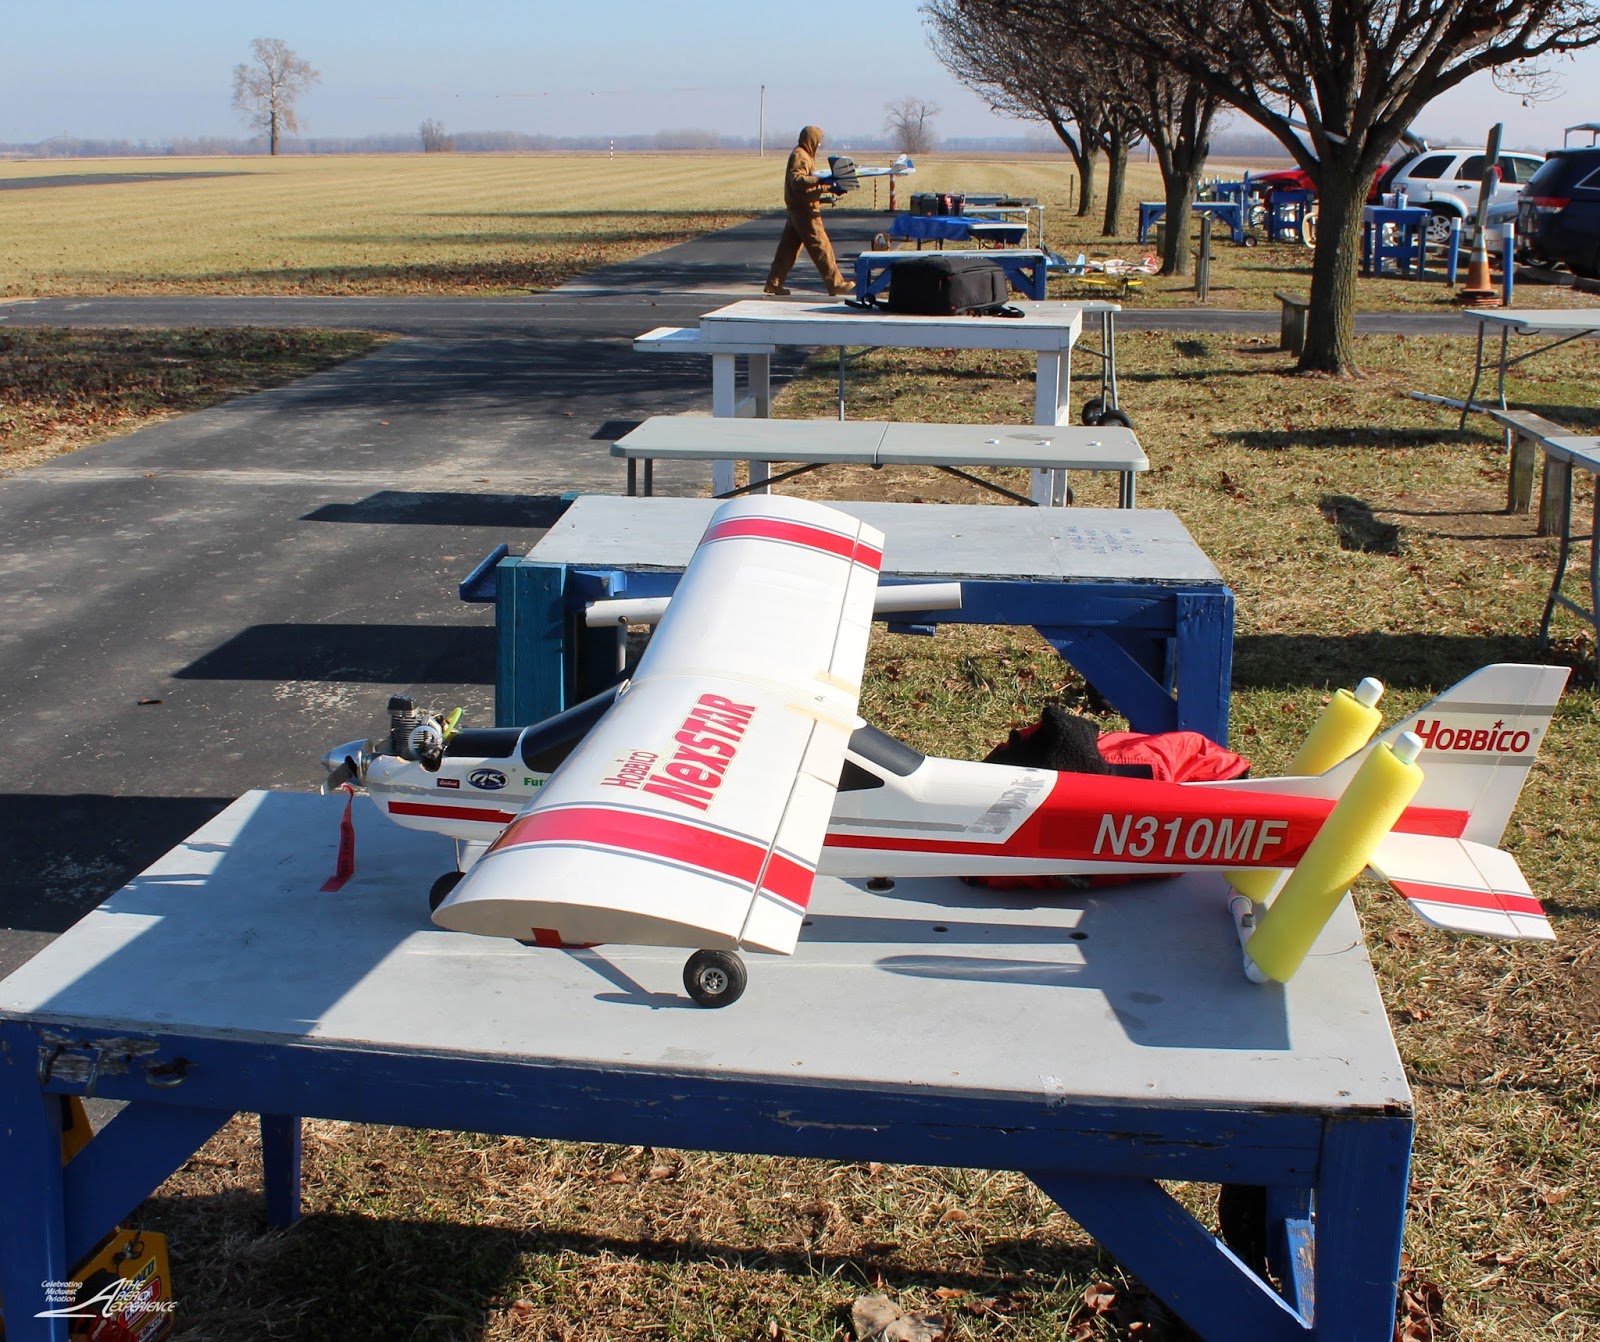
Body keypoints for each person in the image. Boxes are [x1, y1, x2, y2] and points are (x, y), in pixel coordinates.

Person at [764, 125, 851, 297]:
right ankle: (835, 284)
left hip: (799, 208)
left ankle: (774, 283)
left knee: (788, 249)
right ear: (811, 140)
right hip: (805, 211)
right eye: (818, 142)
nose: (819, 146)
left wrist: (829, 189)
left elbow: (809, 187)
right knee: (821, 246)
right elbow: (797, 181)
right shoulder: (800, 156)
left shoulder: (805, 156)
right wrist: (821, 179)